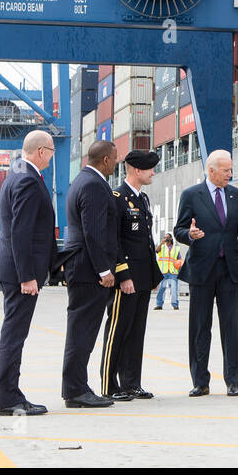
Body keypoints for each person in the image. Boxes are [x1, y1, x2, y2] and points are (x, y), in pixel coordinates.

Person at [0, 130, 59, 417]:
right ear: (41, 152)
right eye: (52, 152)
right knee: (14, 335)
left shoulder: (15, 171)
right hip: (20, 272)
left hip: (12, 267)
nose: (53, 158)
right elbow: (21, 231)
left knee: (13, 334)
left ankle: (9, 394)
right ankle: (8, 398)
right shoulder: (28, 180)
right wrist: (27, 275)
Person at [174, 149, 238, 397]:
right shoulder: (191, 195)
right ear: (211, 171)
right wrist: (190, 235)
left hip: (229, 269)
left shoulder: (236, 195)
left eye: (231, 170)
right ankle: (200, 381)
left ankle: (233, 380)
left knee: (231, 326)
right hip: (202, 269)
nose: (230, 174)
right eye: (226, 170)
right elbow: (179, 229)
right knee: (200, 327)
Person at [58, 139, 119, 409]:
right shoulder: (94, 185)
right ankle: (76, 390)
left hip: (80, 265)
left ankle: (76, 388)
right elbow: (93, 231)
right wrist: (104, 269)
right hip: (88, 268)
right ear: (105, 160)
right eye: (115, 159)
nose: (116, 163)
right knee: (82, 331)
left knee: (79, 330)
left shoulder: (79, 182)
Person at [100, 150, 163, 401]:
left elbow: (145, 241)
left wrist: (151, 276)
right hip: (125, 279)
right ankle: (109, 384)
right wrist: (123, 275)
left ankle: (131, 382)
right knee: (118, 330)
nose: (153, 173)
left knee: (137, 332)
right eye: (150, 169)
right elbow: (113, 241)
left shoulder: (142, 199)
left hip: (143, 277)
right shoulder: (116, 197)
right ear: (137, 170)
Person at [154, 235, 182, 310]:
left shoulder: (176, 248)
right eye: (164, 237)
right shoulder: (161, 247)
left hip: (173, 272)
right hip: (163, 272)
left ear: (171, 238)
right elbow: (156, 251)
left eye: (167, 237)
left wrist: (179, 264)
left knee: (173, 289)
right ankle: (159, 305)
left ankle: (175, 305)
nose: (165, 238)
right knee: (161, 289)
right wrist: (161, 243)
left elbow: (179, 259)